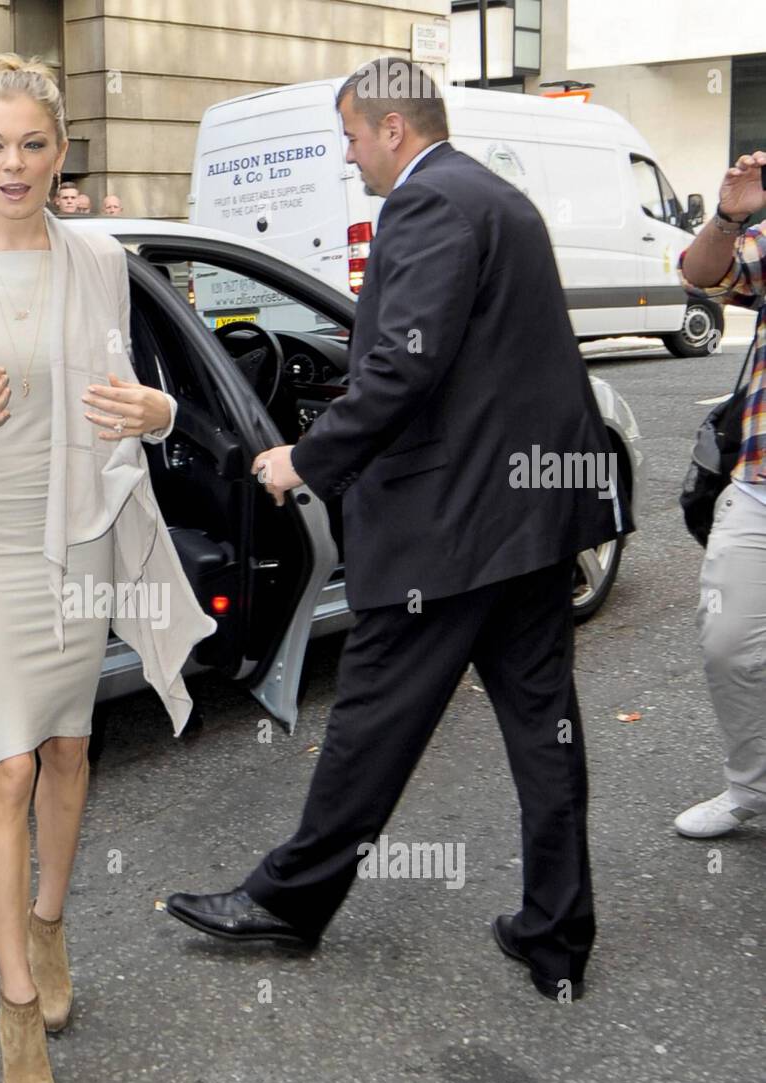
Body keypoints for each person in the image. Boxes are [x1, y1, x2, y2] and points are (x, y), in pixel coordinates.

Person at [165, 58, 628, 1002]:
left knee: (375, 722)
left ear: (391, 130)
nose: (348, 158)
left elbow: (401, 369)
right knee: (545, 730)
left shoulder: (427, 205)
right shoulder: (494, 195)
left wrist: (305, 458)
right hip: (527, 522)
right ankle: (557, 930)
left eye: (349, 138)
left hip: (449, 529)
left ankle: (289, 904)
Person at [0, 53, 215, 1083]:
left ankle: (52, 919)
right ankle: (16, 1004)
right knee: (8, 764)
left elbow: (132, 393)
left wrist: (158, 417)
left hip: (76, 535)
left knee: (69, 745)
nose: (12, 165)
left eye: (32, 145)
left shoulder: (99, 263)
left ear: (61, 152)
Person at [675, 149, 766, 838]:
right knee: (728, 644)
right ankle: (748, 788)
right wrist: (731, 215)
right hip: (759, 488)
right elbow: (701, 276)